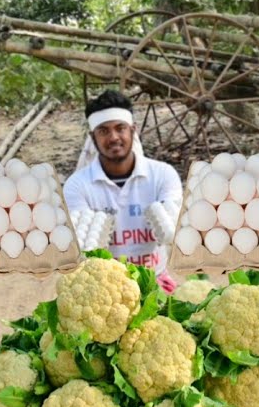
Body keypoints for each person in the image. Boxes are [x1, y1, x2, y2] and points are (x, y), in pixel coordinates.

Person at [64, 90, 183, 288]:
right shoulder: (77, 185)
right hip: (105, 287)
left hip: (153, 281)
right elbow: (82, 242)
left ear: (133, 130)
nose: (113, 137)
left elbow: (173, 224)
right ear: (92, 137)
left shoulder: (162, 175)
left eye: (120, 128)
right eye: (103, 131)